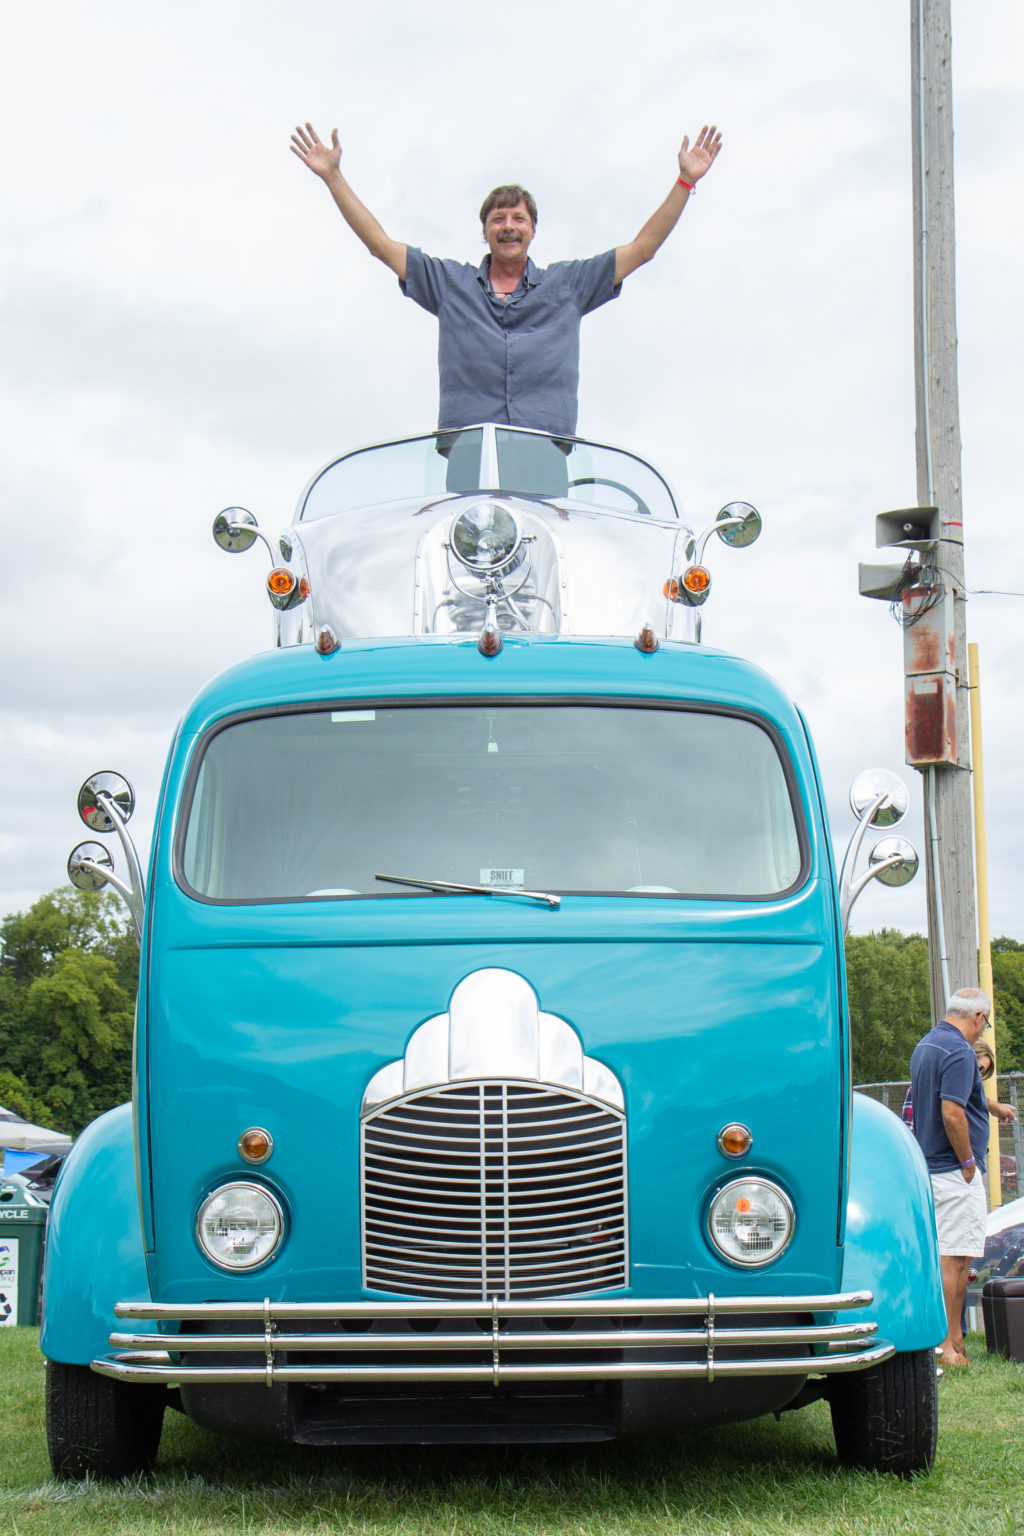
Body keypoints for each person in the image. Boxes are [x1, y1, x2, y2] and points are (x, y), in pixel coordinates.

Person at [290, 122, 722, 436]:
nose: (509, 226)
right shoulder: (449, 284)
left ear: (533, 230)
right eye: (498, 219)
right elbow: (380, 245)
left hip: (543, 448)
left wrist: (685, 181)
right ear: (484, 232)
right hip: (468, 446)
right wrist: (333, 177)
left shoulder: (568, 286)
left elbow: (643, 248)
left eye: (519, 218)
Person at [909, 987, 1016, 1366]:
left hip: (932, 1169)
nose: (982, 1030)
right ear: (977, 1017)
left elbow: (960, 1096)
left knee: (954, 1258)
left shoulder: (929, 1044)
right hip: (955, 1173)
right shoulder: (958, 1051)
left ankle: (954, 1341)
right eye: (985, 1022)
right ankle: (943, 1347)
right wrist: (968, 1160)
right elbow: (952, 1111)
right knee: (954, 1260)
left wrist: (992, 1105)